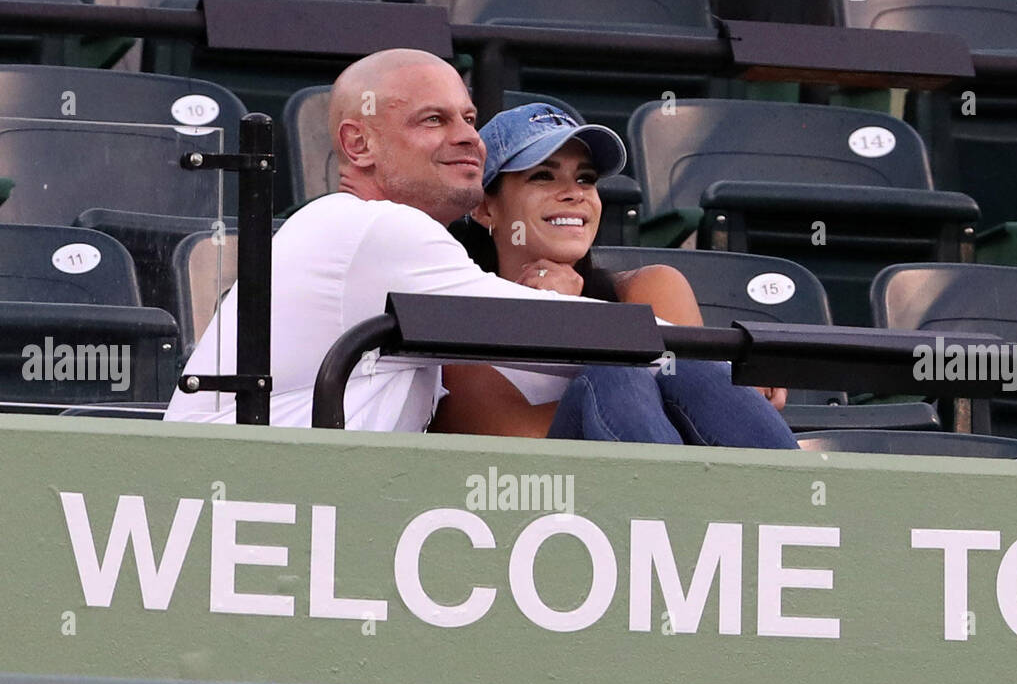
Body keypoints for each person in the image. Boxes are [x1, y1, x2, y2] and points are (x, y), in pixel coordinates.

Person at [164, 49, 593, 428]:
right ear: (359, 144)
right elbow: (570, 344)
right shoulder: (373, 228)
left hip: (256, 491)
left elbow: (545, 368)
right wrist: (651, 340)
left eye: (468, 118)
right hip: (231, 493)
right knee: (621, 374)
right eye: (433, 119)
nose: (468, 137)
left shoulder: (363, 230)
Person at [433, 103, 798, 449]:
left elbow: (703, 403)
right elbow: (524, 455)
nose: (574, 194)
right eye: (543, 176)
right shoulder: (460, 323)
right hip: (556, 504)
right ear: (484, 207)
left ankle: (801, 504)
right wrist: (561, 311)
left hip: (696, 497)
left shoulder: (651, 287)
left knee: (691, 368)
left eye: (585, 179)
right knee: (617, 375)